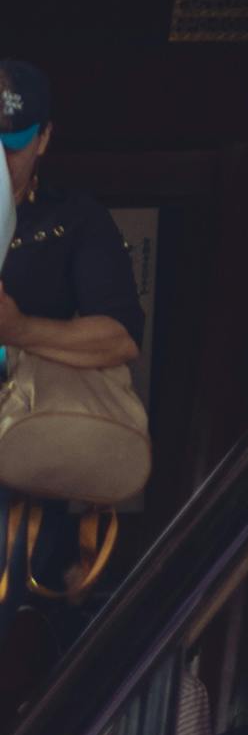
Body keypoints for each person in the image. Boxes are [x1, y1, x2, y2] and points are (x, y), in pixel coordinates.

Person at [0, 56, 151, 538]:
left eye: (13, 142)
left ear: (42, 139)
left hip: (27, 461)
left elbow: (121, 338)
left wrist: (18, 329)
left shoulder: (75, 219)